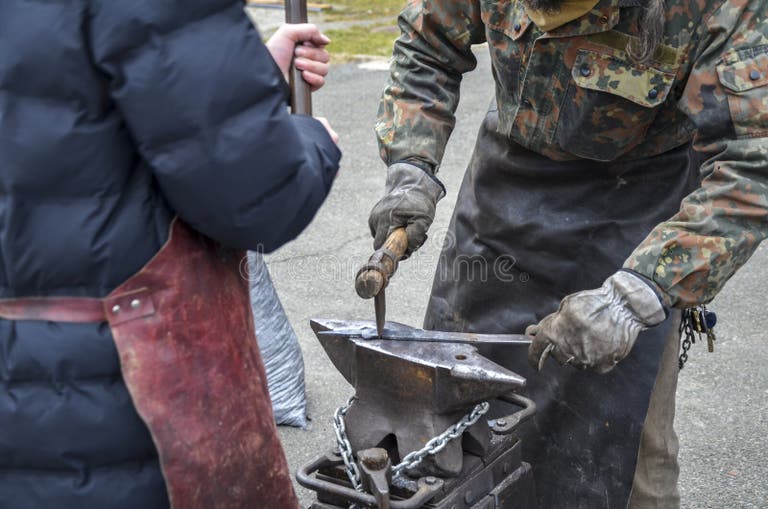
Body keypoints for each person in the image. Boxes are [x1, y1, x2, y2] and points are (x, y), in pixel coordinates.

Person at [368, 0, 767, 507]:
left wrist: (639, 294)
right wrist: (411, 163)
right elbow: (428, 42)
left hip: (640, 219)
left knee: (620, 459)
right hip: (501, 203)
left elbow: (755, 164)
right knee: (454, 428)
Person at [0, 0, 340, 507]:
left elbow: (64, 124)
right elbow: (255, 193)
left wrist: (247, 83)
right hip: (127, 402)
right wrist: (309, 139)